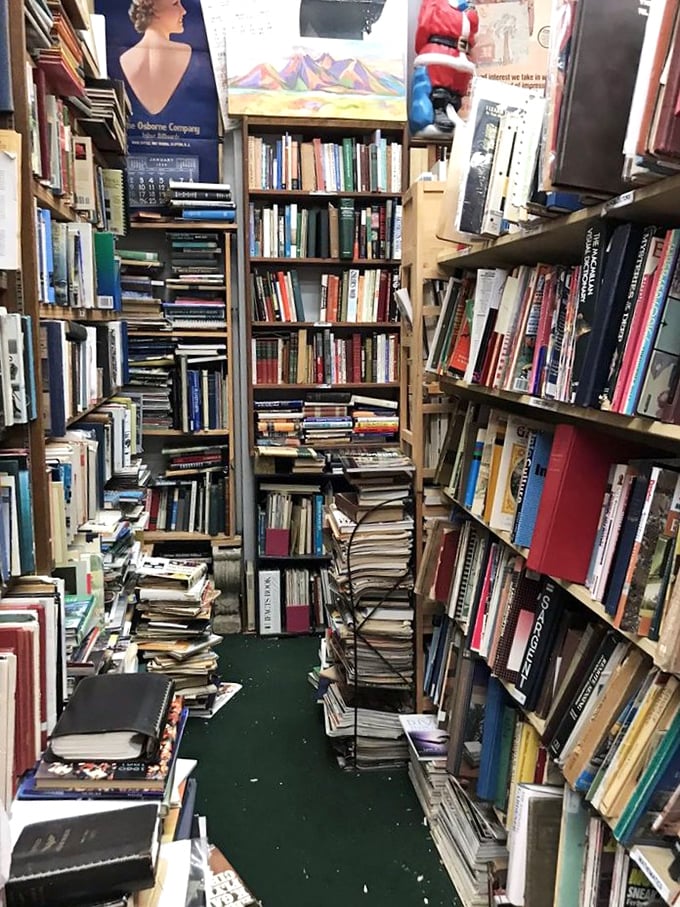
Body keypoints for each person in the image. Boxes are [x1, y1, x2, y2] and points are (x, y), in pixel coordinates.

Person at [120, 0, 192, 116]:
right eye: (175, 4)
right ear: (155, 10)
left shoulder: (125, 57)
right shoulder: (185, 51)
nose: (183, 11)